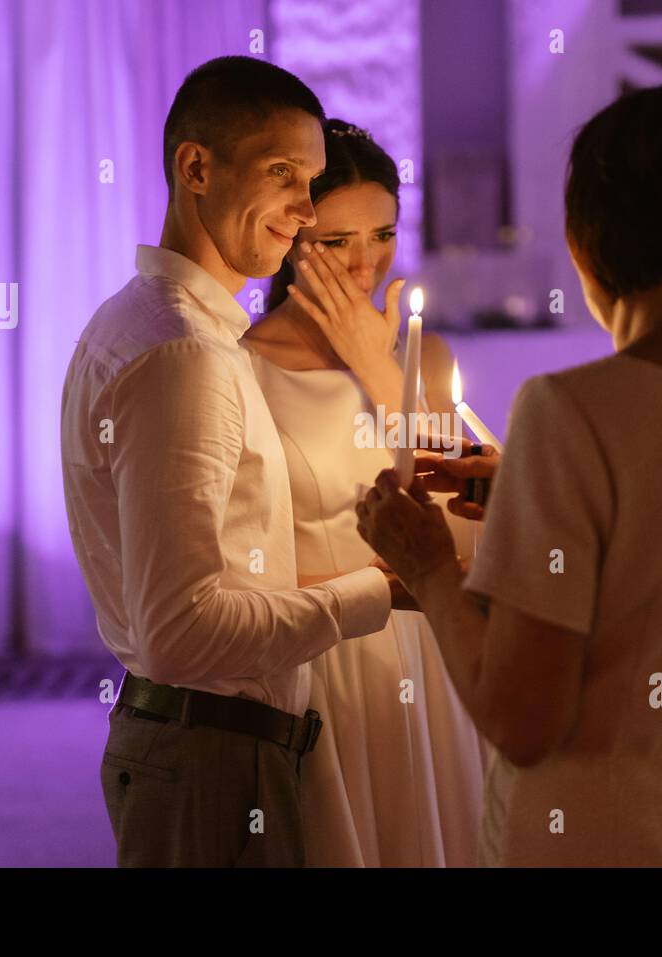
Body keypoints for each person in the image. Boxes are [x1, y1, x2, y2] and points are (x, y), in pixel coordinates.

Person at [356, 79, 662, 866]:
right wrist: (532, 497)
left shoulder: (571, 411)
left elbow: (523, 719)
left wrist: (430, 568)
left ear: (585, 240)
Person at [60, 56, 411, 868]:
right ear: (195, 168)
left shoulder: (153, 322)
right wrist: (380, 591)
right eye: (283, 174)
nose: (303, 207)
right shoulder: (186, 351)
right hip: (211, 749)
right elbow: (182, 630)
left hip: (208, 741)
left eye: (311, 179)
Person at [242, 119, 486, 866]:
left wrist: (377, 367)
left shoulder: (425, 354)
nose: (363, 262)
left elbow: (472, 529)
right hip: (327, 654)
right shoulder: (244, 365)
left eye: (381, 234)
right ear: (292, 240)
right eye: (336, 240)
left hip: (428, 642)